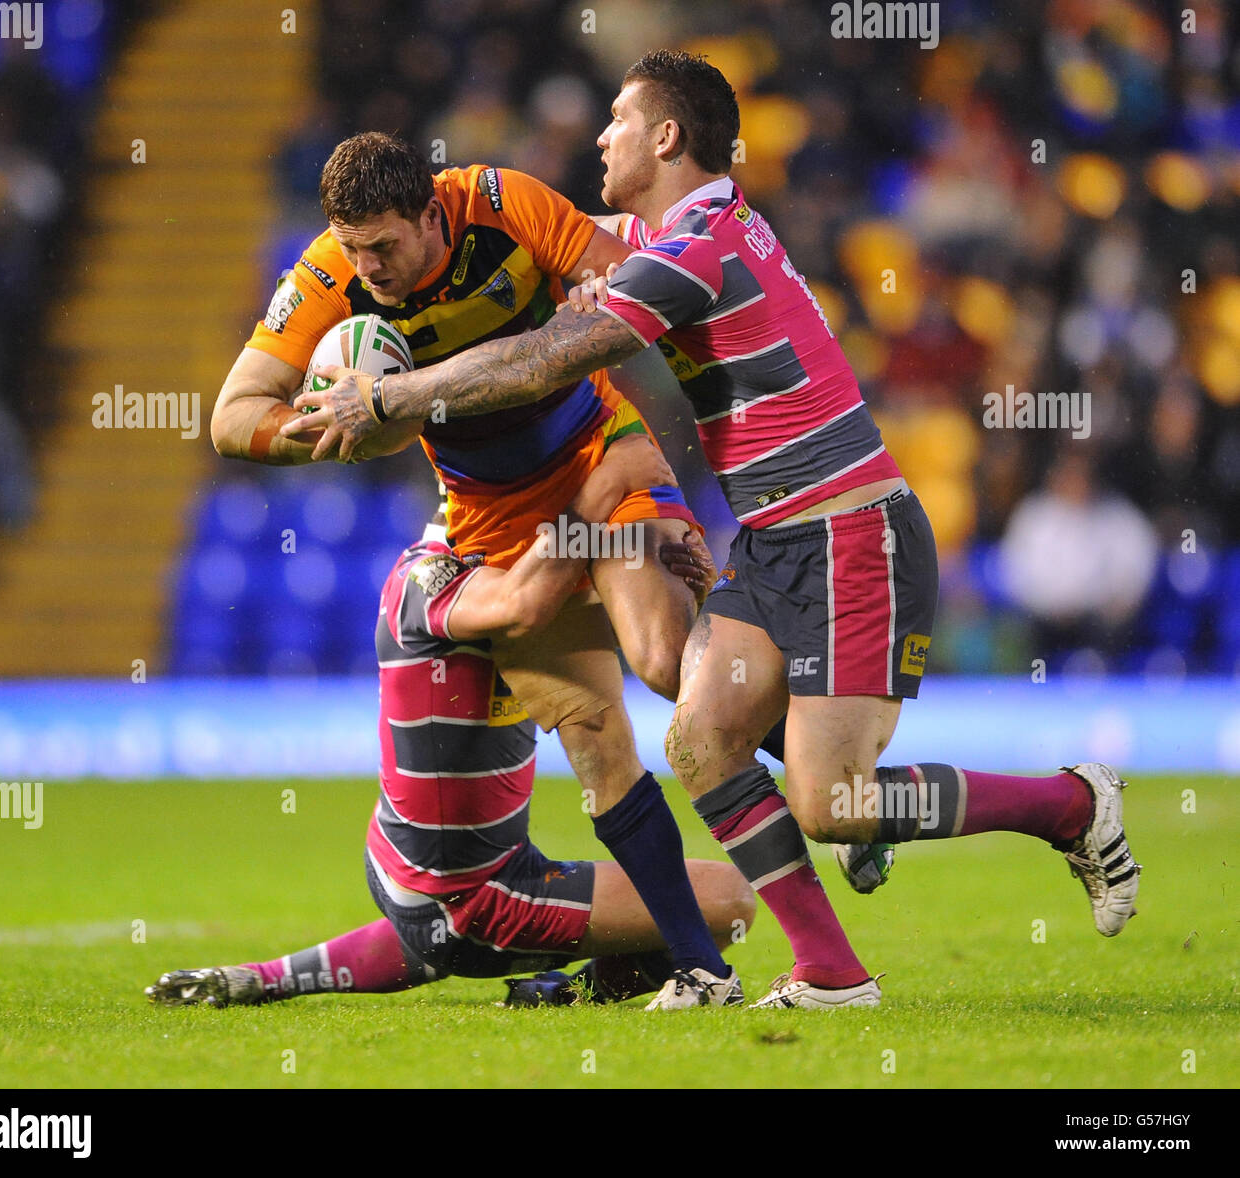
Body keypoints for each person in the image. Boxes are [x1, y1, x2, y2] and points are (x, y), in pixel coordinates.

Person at [298, 50, 1141, 1010]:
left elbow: (545, 362)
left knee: (833, 804)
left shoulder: (695, 245)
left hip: (848, 528)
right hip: (775, 540)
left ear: (665, 136)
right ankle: (831, 972)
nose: (602, 136)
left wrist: (394, 394)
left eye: (618, 117)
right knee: (701, 736)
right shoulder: (675, 233)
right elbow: (553, 257)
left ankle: (1073, 804)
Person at [212, 132, 743, 1007]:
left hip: (600, 459)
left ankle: (818, 773)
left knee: (661, 658)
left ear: (432, 213)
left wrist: (589, 290)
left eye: (383, 245)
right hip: (493, 523)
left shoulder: (505, 202)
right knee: (594, 739)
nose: (368, 268)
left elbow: (621, 294)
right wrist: (340, 428)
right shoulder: (327, 276)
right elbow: (233, 419)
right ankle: (703, 972)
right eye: (353, 248)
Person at [147, 435, 754, 1010]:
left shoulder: (488, 566)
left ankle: (267, 977)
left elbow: (585, 577)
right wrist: (601, 488)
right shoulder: (435, 581)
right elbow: (527, 598)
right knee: (729, 902)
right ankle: (568, 995)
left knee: (444, 913)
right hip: (476, 898)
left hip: (413, 871)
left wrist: (679, 586)